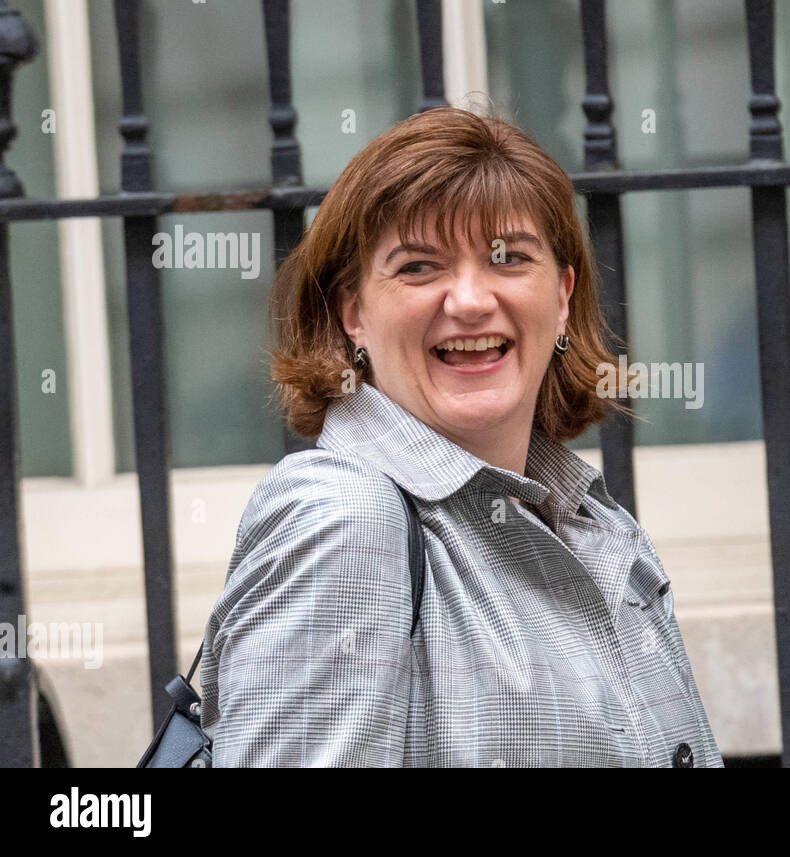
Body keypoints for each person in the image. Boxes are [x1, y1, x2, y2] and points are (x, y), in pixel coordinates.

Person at [198, 106, 722, 767]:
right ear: (353, 312)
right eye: (419, 267)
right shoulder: (345, 521)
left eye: (509, 258)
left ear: (562, 296)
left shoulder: (595, 523)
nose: (470, 300)